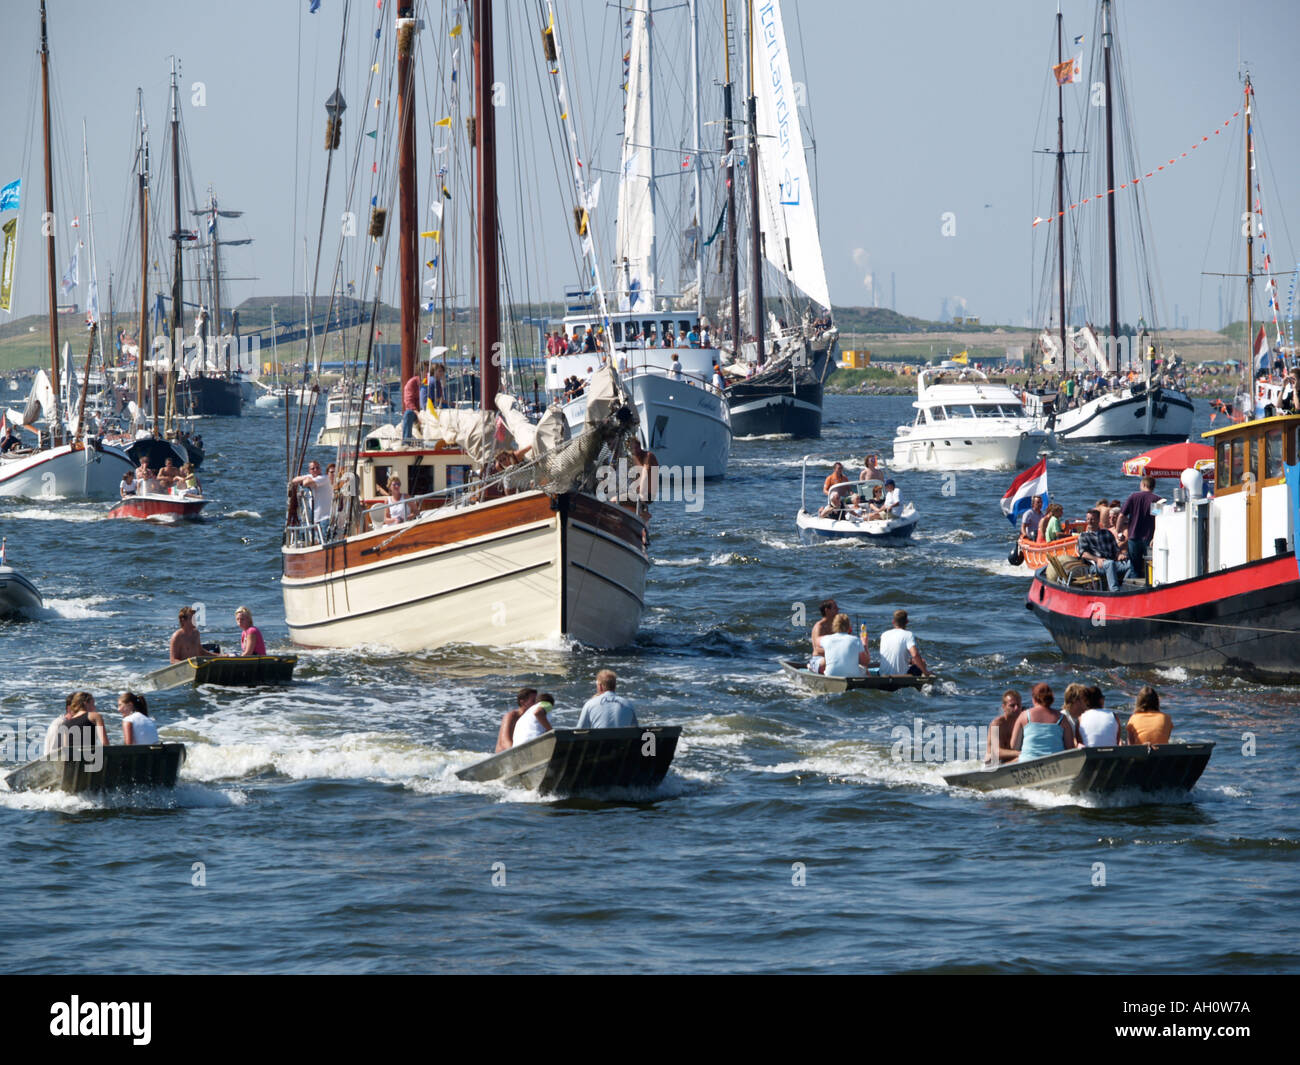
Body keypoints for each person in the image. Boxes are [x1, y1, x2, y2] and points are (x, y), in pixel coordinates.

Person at [1010, 682, 1075, 761]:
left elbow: (1014, 746)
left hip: (1028, 760)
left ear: (1034, 698)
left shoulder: (1024, 716)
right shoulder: (1062, 718)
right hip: (1056, 761)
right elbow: (1070, 748)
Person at [1119, 476, 1161, 585]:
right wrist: (1156, 537)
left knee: (1135, 567)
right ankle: (1150, 586)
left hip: (1134, 536)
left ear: (1143, 484)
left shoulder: (1133, 497)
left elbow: (1121, 516)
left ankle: (1136, 588)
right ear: (1153, 487)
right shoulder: (1157, 499)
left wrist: (1119, 532)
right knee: (1151, 566)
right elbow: (1159, 519)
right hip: (1149, 538)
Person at [45, 691, 109, 759]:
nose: (94, 708)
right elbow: (105, 744)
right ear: (85, 703)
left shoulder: (65, 724)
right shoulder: (95, 716)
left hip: (72, 762)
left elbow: (65, 751)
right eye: (92, 704)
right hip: (89, 760)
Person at [1077, 507, 1127, 590]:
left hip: (1112, 562)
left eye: (1092, 519)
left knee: (1130, 564)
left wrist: (1119, 555)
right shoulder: (1083, 536)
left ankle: (1125, 587)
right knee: (1109, 563)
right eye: (1088, 519)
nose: (1089, 521)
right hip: (1096, 566)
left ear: (1098, 520)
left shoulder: (1107, 533)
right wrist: (1097, 559)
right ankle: (1115, 591)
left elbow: (1116, 549)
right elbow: (1083, 554)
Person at [817, 613, 870, 677]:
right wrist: (864, 644)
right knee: (865, 669)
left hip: (830, 675)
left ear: (833, 625)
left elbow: (817, 641)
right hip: (852, 676)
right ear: (849, 626)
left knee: (818, 662)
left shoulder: (826, 639)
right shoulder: (856, 640)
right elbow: (865, 662)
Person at [878, 609, 928, 676]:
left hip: (882, 674)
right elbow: (915, 655)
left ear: (893, 622)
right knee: (922, 662)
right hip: (902, 676)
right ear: (907, 622)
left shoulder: (884, 635)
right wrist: (926, 672)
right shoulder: (908, 634)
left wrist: (909, 661)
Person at [290, 460, 333, 530]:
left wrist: (307, 478)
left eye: (317, 468)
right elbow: (294, 480)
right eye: (313, 469)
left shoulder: (324, 478)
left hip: (325, 518)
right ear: (309, 471)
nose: (315, 470)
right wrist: (308, 477)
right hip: (316, 519)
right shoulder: (311, 477)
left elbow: (306, 483)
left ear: (320, 469)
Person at [495, 687, 539, 753]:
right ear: (523, 702)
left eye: (537, 701)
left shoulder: (532, 718)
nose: (537, 704)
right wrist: (517, 753)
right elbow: (504, 742)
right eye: (533, 701)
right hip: (504, 754)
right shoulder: (511, 716)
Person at [986, 689, 1023, 765]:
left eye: (1018, 705)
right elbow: (995, 752)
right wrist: (1020, 753)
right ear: (1004, 707)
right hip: (994, 764)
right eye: (1012, 705)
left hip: (1014, 760)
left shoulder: (1024, 721)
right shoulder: (996, 724)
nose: (1016, 708)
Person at [807, 598, 838, 673]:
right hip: (819, 659)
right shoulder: (819, 626)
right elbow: (818, 649)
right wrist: (836, 652)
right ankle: (811, 666)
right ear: (827, 610)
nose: (838, 610)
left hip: (833, 657)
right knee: (829, 662)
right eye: (835, 608)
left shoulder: (836, 626)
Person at [400, 372, 420, 442]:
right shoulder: (413, 382)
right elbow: (409, 400)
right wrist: (416, 412)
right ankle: (406, 442)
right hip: (416, 411)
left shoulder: (432, 382)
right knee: (408, 414)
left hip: (429, 410)